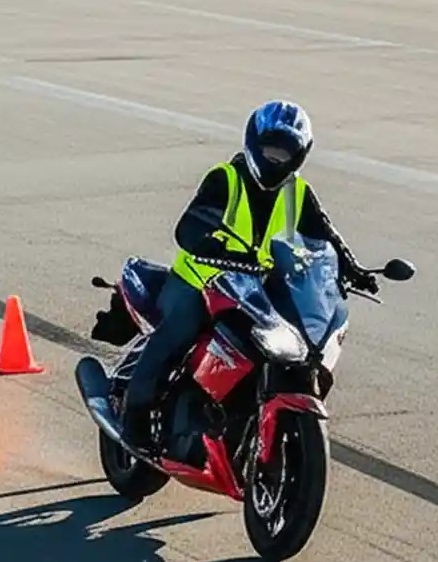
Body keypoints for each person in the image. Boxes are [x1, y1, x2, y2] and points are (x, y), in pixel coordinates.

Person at [115, 99, 379, 451]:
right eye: (271, 150)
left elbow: (324, 234)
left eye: (287, 154)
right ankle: (134, 418)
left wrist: (351, 268)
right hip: (198, 282)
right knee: (176, 336)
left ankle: (245, 412)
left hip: (253, 286)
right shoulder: (225, 179)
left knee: (293, 341)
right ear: (253, 143)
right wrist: (212, 245)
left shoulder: (296, 191)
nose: (277, 160)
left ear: (300, 155)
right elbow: (189, 225)